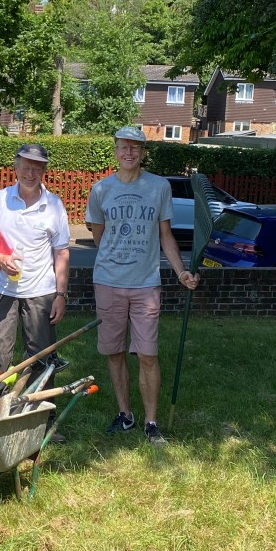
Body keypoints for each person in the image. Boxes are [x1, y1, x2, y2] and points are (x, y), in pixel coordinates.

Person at [85, 126, 199, 446]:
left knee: (147, 354)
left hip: (146, 284)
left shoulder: (159, 187)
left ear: (143, 152)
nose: (129, 153)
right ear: (116, 150)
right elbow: (98, 235)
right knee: (114, 351)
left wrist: (180, 272)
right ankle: (125, 415)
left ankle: (151, 421)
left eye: (136, 148)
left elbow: (165, 236)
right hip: (108, 281)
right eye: (124, 147)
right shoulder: (101, 190)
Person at [0, 143, 72, 383]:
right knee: (0, 352)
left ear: (44, 172)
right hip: (2, 288)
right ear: (16, 168)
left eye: (36, 169)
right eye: (26, 168)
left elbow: (61, 254)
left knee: (42, 356)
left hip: (41, 291)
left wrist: (61, 295)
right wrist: (1, 259)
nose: (30, 174)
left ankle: (41, 414)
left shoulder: (54, 206)